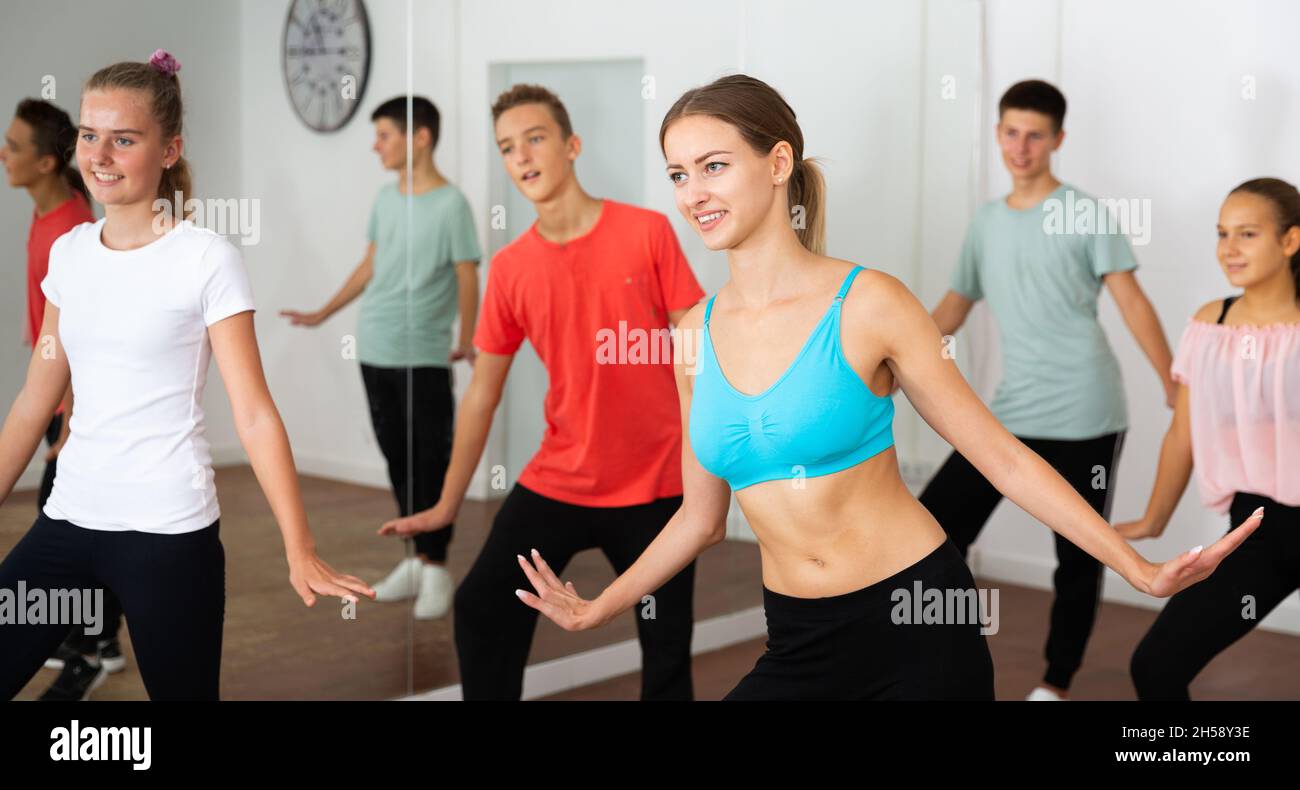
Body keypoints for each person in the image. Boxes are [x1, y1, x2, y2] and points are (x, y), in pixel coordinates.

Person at [511, 73, 1262, 701]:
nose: (693, 193)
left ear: (777, 164)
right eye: (678, 173)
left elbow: (1000, 458)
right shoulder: (691, 337)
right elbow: (700, 519)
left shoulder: (868, 304)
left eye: (714, 166)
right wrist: (601, 605)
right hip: (798, 634)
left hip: (914, 620)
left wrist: (1140, 568)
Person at [0, 51, 373, 701]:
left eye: (124, 138)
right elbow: (37, 396)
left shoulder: (205, 259)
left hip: (166, 532)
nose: (100, 155)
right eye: (90, 136)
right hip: (68, 523)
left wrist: (300, 545)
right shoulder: (70, 253)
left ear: (169, 150)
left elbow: (253, 413)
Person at [379, 84, 705, 700]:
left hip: (658, 484)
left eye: (535, 138)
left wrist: (708, 460)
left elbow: (698, 348)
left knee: (666, 642)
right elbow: (481, 395)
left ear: (571, 145)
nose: (522, 156)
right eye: (507, 147)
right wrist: (448, 505)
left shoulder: (647, 232)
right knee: (481, 606)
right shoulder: (509, 268)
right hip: (562, 478)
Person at [919, 79, 1176, 700]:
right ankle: (930, 660)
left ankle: (1054, 685)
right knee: (931, 534)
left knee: (1079, 558)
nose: (1021, 146)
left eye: (1035, 135)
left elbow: (1132, 302)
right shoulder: (985, 223)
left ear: (1058, 139)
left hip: (1087, 411)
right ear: (998, 134)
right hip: (1010, 411)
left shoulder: (1085, 212)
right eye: (1011, 132)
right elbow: (955, 304)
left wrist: (1174, 381)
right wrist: (888, 357)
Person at [281, 96, 480, 619]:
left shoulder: (452, 205)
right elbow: (370, 264)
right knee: (398, 460)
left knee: (431, 461)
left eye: (385, 135)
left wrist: (470, 336)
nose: (376, 145)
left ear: (420, 139)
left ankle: (437, 569)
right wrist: (324, 312)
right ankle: (416, 558)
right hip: (375, 347)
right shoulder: (386, 200)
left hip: (425, 355)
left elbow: (466, 273)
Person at [1123, 178, 1300, 700]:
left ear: (1290, 241)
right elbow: (1183, 433)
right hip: (1258, 529)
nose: (1229, 248)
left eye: (1247, 233)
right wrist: (1154, 519)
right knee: (1155, 666)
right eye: (1222, 233)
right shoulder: (1210, 323)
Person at [1, 97, 129, 700]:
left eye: (14, 146)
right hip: (55, 402)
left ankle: (96, 643)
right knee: (62, 525)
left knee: (71, 524)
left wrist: (74, 416)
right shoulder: (46, 215)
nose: (3, 154)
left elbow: (93, 333)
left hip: (79, 410)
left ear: (47, 163)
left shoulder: (77, 230)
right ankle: (88, 637)